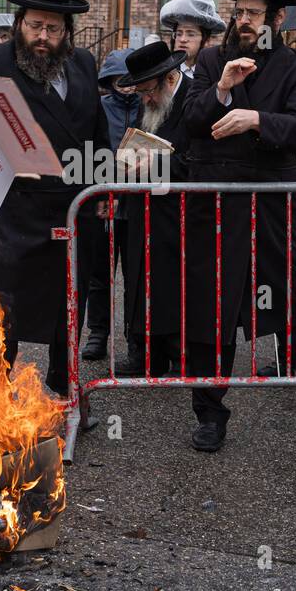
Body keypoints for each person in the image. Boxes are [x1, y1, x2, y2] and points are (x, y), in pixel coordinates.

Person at [182, 0, 296, 451]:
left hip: (274, 203)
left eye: (254, 13)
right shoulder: (211, 61)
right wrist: (223, 91)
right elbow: (189, 119)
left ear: (275, 19)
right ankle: (210, 413)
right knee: (212, 308)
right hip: (219, 203)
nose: (244, 21)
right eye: (239, 12)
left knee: (295, 300)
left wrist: (254, 119)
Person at [0, 0, 109, 396]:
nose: (42, 36)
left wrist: (103, 187)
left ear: (68, 30)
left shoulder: (83, 63)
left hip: (71, 209)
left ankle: (65, 390)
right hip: (14, 213)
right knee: (1, 309)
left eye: (53, 27)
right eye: (34, 25)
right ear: (19, 24)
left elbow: (95, 129)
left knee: (69, 306)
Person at [118, 41, 194, 375]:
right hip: (142, 208)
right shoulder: (149, 101)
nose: (145, 98)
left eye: (148, 90)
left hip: (179, 214)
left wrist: (157, 163)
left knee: (173, 285)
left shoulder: (194, 99)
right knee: (137, 281)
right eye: (140, 92)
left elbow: (196, 160)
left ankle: (178, 353)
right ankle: (145, 355)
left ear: (169, 78)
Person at [82, 47, 142, 362]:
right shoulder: (99, 108)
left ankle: (135, 339)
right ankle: (97, 333)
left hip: (136, 205)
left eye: (132, 80)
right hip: (104, 201)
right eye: (121, 80)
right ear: (110, 81)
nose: (128, 85)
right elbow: (90, 148)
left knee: (135, 276)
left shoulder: (149, 108)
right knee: (99, 274)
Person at [159, 0, 226, 78]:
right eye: (179, 34)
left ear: (206, 40)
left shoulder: (216, 72)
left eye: (190, 34)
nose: (183, 39)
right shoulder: (164, 72)